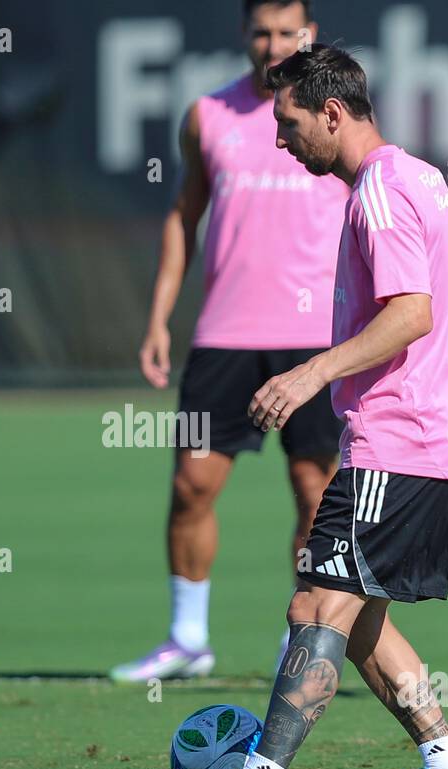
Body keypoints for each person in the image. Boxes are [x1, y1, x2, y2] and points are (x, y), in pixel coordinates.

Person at [146, 44, 448, 769]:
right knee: (361, 621)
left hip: (398, 442)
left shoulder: (380, 192)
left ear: (332, 113)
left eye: (289, 121)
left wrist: (311, 373)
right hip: (429, 443)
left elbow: (411, 313)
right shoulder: (416, 177)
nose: (278, 139)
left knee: (313, 609)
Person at [110, 0, 350, 682]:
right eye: (262, 32)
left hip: (313, 341)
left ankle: (299, 641)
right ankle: (187, 638)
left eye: (287, 32)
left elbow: (370, 207)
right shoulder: (208, 116)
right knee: (192, 484)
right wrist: (159, 318)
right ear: (245, 35)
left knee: (314, 491)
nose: (273, 45)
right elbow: (184, 217)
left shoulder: (333, 115)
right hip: (225, 336)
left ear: (308, 33)